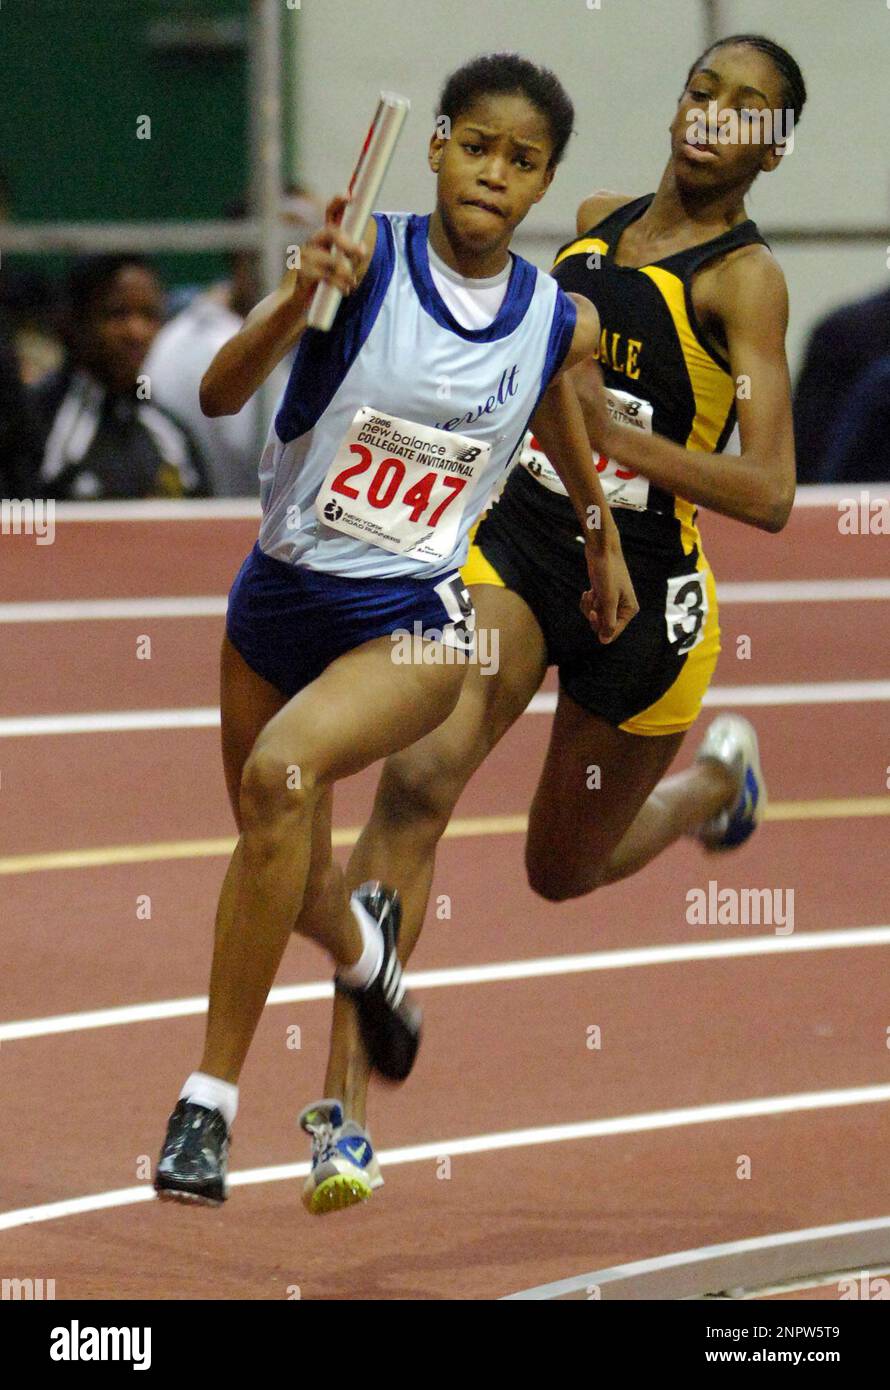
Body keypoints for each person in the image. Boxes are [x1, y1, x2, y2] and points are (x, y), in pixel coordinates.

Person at [302, 33, 803, 1214]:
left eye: (746, 111)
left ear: (770, 149)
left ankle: (704, 794)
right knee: (417, 781)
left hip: (647, 607)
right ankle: (340, 1115)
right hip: (527, 542)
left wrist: (620, 446)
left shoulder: (746, 282)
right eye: (702, 91)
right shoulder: (584, 218)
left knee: (555, 872)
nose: (712, 116)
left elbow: (773, 491)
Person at [153, 52, 639, 1206]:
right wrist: (292, 294)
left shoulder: (549, 318)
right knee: (293, 863)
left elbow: (551, 406)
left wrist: (597, 531)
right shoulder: (363, 263)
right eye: (475, 145)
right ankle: (369, 956)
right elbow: (222, 396)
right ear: (436, 147)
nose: (492, 173)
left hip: (412, 626)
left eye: (521, 162)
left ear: (542, 183)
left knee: (279, 782)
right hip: (273, 601)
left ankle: (203, 1109)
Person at [144, 187, 325, 496]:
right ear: (246, 253)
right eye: (298, 244)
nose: (317, 261)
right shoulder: (188, 344)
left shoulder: (323, 339)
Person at [28, 255, 210, 500]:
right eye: (117, 314)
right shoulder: (37, 423)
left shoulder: (170, 435)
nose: (135, 332)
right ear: (77, 320)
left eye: (149, 314)